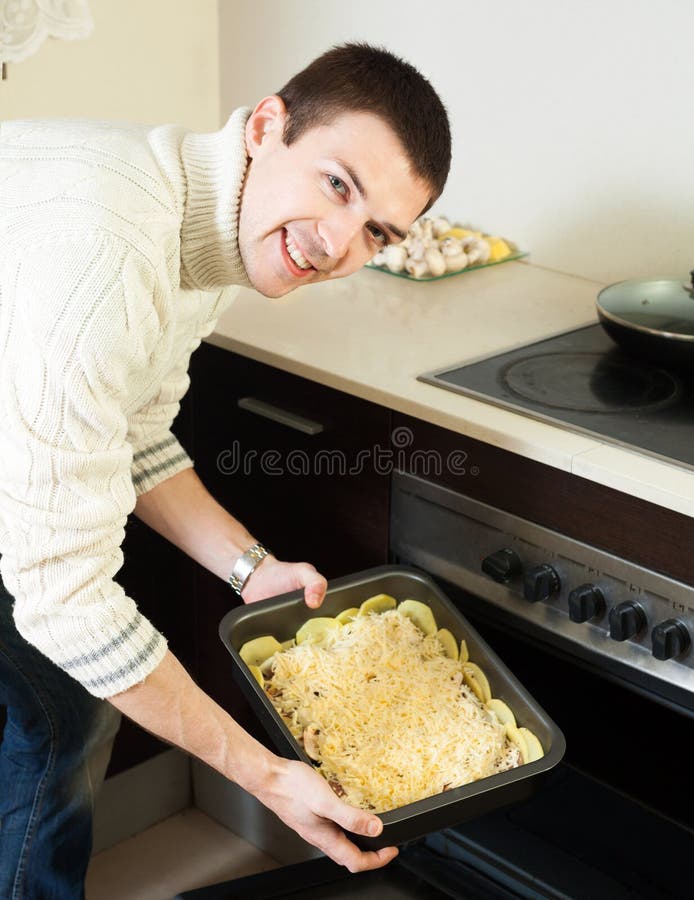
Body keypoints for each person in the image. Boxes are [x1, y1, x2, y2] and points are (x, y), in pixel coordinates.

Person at [0, 41, 451, 898]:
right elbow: (62, 593)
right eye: (337, 185)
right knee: (70, 676)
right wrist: (266, 775)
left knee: (72, 707)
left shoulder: (211, 225)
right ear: (268, 125)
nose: (335, 247)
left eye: (376, 234)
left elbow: (136, 431)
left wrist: (251, 570)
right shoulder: (107, 258)